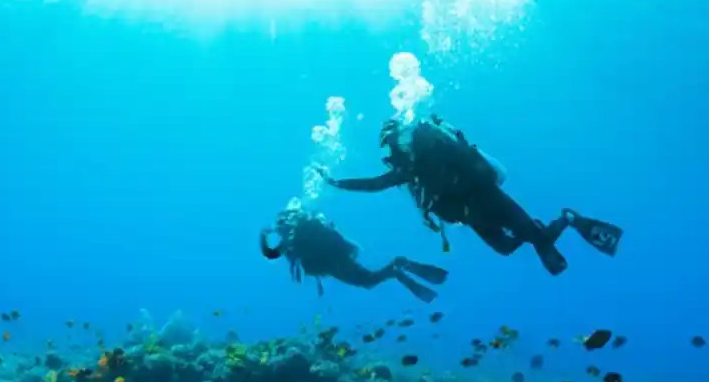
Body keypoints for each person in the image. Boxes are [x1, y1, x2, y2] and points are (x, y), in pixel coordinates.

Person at [319, 116, 623, 276]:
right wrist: (336, 182)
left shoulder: (424, 157)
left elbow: (374, 183)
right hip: (473, 211)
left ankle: (565, 220)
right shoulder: (412, 166)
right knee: (509, 247)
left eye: (393, 144)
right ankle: (546, 229)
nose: (394, 150)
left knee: (536, 242)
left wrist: (335, 182)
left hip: (484, 199)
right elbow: (376, 184)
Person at [259, 204, 447, 303]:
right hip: (338, 258)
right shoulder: (301, 231)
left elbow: (270, 254)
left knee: (368, 282)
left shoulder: (290, 239)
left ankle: (398, 266)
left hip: (333, 264)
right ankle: (399, 266)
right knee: (368, 280)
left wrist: (262, 235)